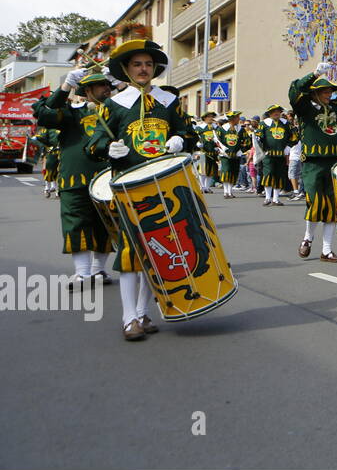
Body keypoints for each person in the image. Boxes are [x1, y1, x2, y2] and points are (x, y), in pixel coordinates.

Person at [86, 40, 192, 342]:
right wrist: (110, 149)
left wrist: (180, 140)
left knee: (157, 250)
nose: (143, 69)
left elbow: (188, 132)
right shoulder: (115, 105)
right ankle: (128, 318)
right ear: (126, 69)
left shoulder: (168, 101)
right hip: (129, 187)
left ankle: (144, 312)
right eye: (137, 64)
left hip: (164, 185)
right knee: (132, 253)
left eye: (148, 64)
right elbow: (92, 145)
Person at [32, 64, 117, 287]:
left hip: (108, 179)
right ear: (87, 90)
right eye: (100, 86)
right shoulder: (71, 112)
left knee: (106, 225)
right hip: (75, 179)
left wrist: (122, 83)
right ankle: (82, 273)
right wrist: (66, 85)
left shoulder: (116, 111)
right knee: (75, 223)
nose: (106, 89)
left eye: (108, 85)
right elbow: (44, 113)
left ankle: (99, 270)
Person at [288, 63, 337, 264]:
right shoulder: (303, 108)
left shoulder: (335, 107)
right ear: (315, 93)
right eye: (325, 91)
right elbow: (295, 91)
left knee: (332, 207)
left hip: (333, 161)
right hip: (312, 162)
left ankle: (327, 251)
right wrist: (314, 74)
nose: (329, 94)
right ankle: (307, 238)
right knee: (315, 203)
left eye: (330, 90)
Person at [258, 104, 295, 206]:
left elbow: (295, 136)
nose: (276, 113)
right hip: (268, 154)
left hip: (281, 155)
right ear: (269, 113)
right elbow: (258, 137)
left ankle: (276, 199)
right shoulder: (263, 124)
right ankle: (267, 198)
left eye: (278, 111)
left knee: (279, 176)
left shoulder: (286, 123)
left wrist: (288, 147)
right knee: (268, 174)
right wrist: (262, 149)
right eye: (274, 111)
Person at [215, 110, 251, 199]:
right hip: (225, 155)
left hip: (236, 155)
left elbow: (247, 141)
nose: (238, 119)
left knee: (233, 172)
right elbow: (217, 141)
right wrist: (222, 150)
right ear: (232, 119)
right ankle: (225, 192)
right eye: (237, 117)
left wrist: (241, 150)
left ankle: (230, 191)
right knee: (226, 171)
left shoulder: (241, 129)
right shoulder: (222, 129)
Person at [192, 109, 219, 193]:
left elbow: (220, 138)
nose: (211, 118)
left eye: (212, 117)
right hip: (203, 152)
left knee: (210, 171)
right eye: (209, 117)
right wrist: (197, 144)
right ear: (205, 118)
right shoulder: (200, 128)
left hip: (213, 152)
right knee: (202, 170)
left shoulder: (215, 128)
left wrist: (218, 146)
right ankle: (202, 186)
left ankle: (207, 187)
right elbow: (194, 138)